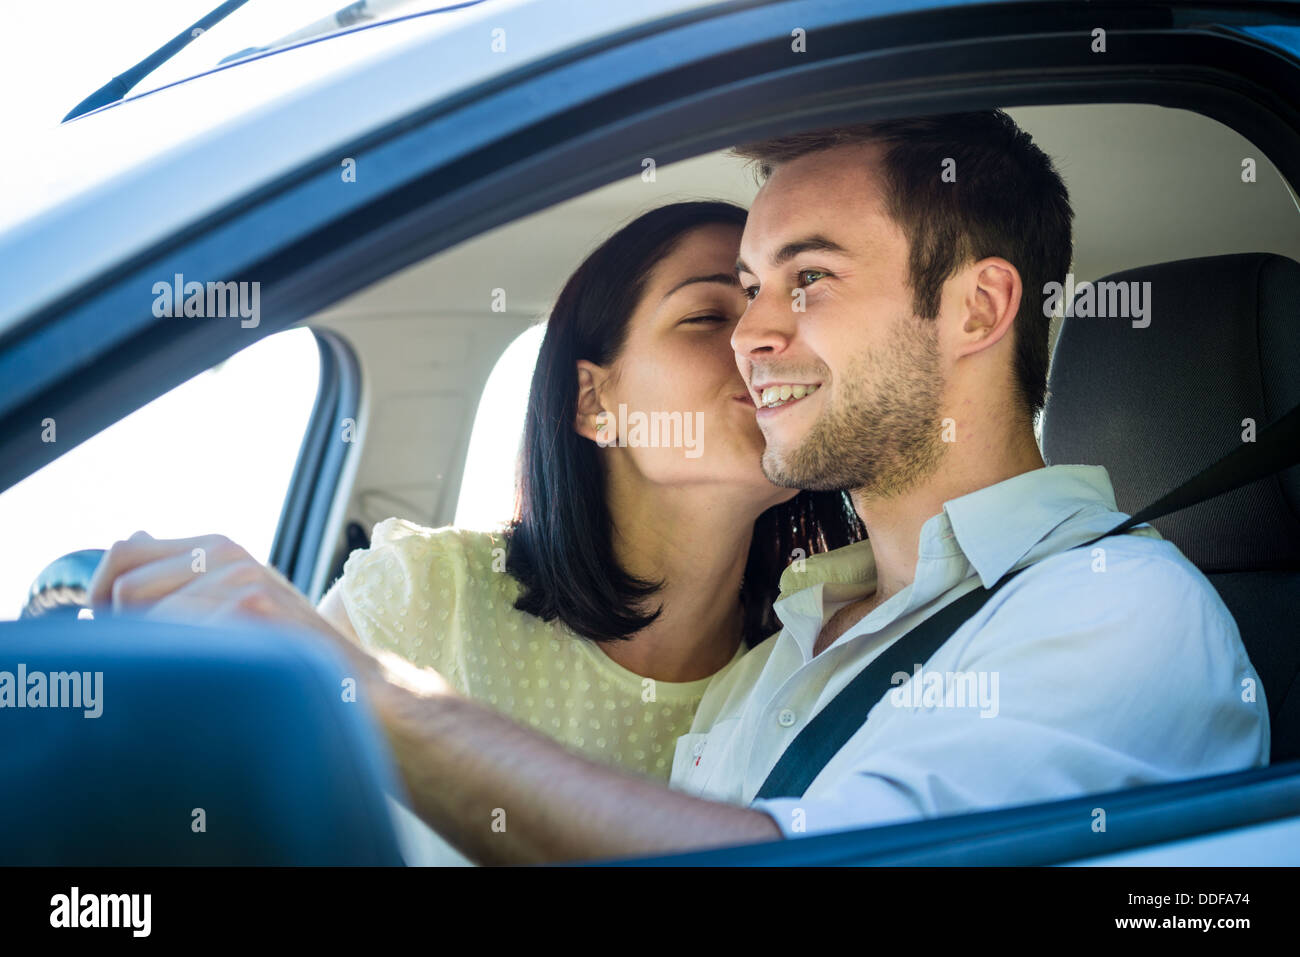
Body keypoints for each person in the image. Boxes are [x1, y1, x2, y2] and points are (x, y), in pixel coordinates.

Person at [90, 111, 1269, 865]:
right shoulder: (806, 630)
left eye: (805, 279)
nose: (753, 335)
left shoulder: (1116, 608)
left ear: (977, 308)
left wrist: (365, 691)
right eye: (741, 291)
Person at [89, 200, 863, 791]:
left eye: (788, 306)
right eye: (707, 315)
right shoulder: (423, 602)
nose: (762, 342)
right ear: (593, 404)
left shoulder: (824, 654)